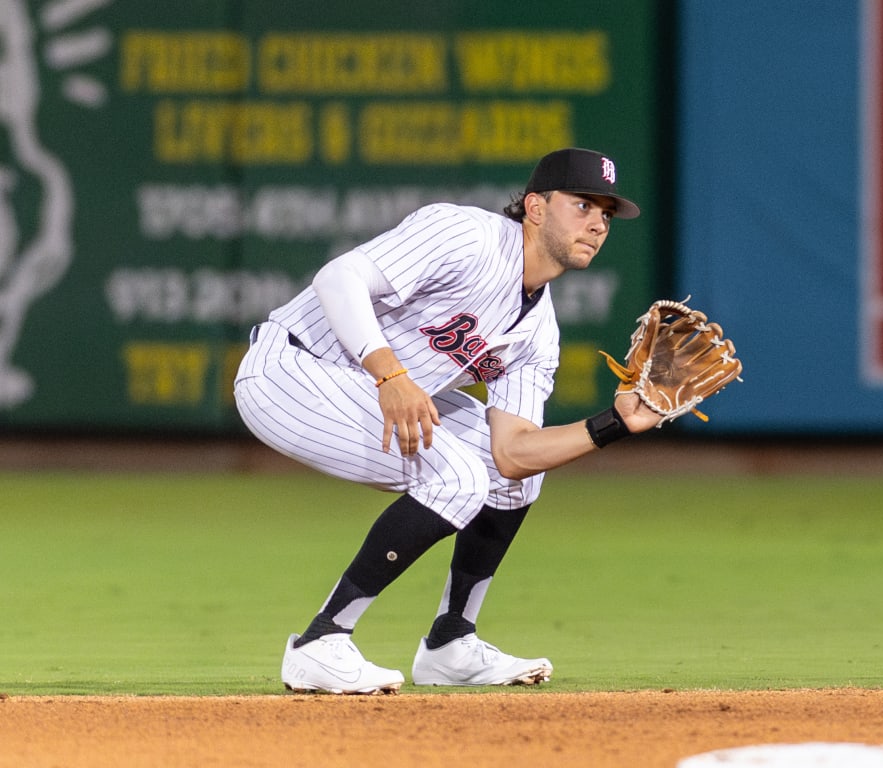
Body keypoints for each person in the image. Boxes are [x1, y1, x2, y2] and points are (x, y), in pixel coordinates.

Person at [234, 147, 662, 693]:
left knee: (513, 478)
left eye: (606, 214)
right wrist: (390, 375)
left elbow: (514, 452)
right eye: (583, 205)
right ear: (535, 206)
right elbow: (337, 278)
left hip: (373, 389)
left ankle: (451, 644)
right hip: (288, 370)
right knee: (458, 477)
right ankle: (321, 641)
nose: (598, 223)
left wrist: (615, 423)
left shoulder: (538, 332)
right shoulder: (466, 235)